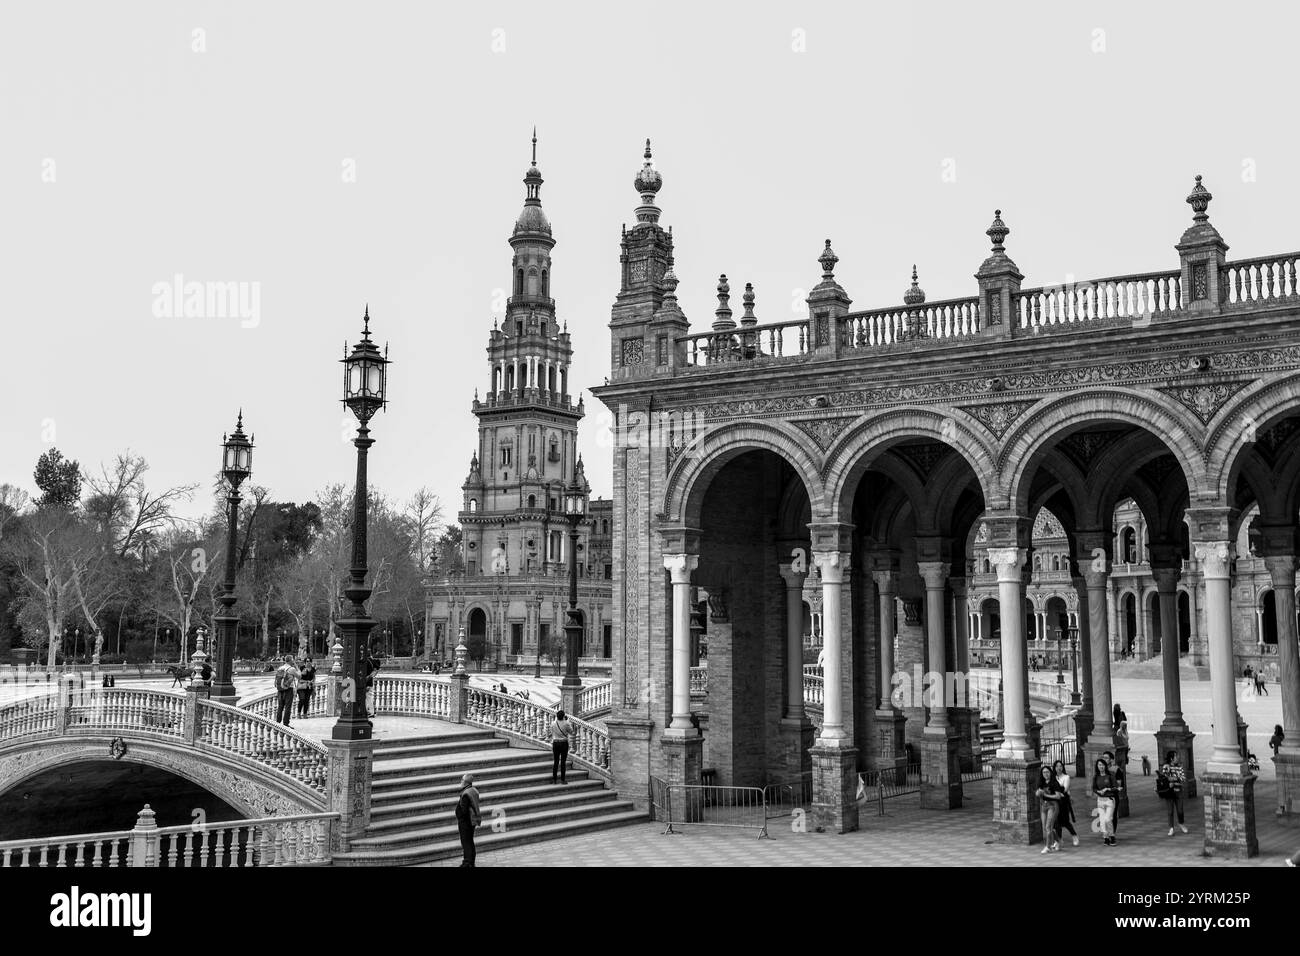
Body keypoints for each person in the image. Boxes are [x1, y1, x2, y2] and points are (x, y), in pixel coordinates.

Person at [1158, 749, 1188, 836]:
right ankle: (1171, 828)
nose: (1178, 757)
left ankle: (1181, 823)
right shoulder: (1166, 767)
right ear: (1171, 758)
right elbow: (1164, 778)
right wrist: (1175, 777)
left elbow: (1183, 778)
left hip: (1178, 791)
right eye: (1176, 756)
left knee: (1180, 809)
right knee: (1170, 811)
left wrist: (1173, 779)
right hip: (1169, 792)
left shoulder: (1180, 767)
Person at [455, 772, 482, 867]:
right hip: (472, 821)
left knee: (466, 842)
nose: (461, 781)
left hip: (466, 822)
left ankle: (467, 862)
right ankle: (471, 861)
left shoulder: (466, 793)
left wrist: (460, 817)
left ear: (466, 782)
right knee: (470, 841)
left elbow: (464, 810)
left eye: (462, 780)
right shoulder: (473, 790)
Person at [1035, 765, 1063, 854]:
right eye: (1044, 772)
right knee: (1045, 827)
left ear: (1051, 773)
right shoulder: (1041, 783)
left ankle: (1048, 847)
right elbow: (1037, 793)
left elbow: (1058, 796)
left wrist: (1045, 795)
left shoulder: (1055, 783)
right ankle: (1058, 841)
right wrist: (1038, 793)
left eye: (1047, 772)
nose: (1045, 774)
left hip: (1053, 806)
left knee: (1048, 827)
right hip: (1043, 806)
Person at [1051, 758, 1079, 847]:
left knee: (1065, 821)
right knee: (1056, 822)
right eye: (1057, 766)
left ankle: (1074, 835)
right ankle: (1058, 840)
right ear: (1054, 768)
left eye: (1060, 766)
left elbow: (1065, 789)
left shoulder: (1066, 777)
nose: (1059, 768)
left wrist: (1057, 791)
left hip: (1063, 801)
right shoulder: (1052, 777)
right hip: (1054, 801)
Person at [1092, 756, 1118, 846]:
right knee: (1102, 820)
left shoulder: (1110, 775)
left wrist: (1107, 789)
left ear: (1105, 766)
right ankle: (1106, 837)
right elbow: (1094, 788)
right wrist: (1098, 791)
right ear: (1097, 766)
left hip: (1109, 800)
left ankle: (1112, 835)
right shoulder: (1096, 776)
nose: (1101, 767)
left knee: (1108, 819)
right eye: (1099, 765)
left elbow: (1115, 787)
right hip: (1100, 800)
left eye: (1102, 765)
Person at [1103, 750, 1126, 837]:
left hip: (1112, 796)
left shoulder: (1116, 769)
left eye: (1106, 758)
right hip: (1103, 796)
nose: (1104, 760)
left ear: (1111, 760)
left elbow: (1120, 784)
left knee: (1112, 815)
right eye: (1103, 758)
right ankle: (1107, 832)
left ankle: (1112, 833)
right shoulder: (1101, 769)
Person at [550, 708, 575, 784]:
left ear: (557, 716)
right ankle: (562, 780)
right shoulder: (566, 723)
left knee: (556, 762)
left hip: (555, 743)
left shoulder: (553, 723)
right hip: (564, 743)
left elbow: (551, 732)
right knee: (563, 762)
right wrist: (568, 721)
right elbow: (572, 732)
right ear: (563, 716)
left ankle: (554, 780)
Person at [274, 654, 299, 727]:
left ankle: (277, 723)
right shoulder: (292, 669)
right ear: (291, 660)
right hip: (288, 689)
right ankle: (285, 724)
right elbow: (299, 676)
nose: (293, 661)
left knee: (280, 706)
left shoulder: (280, 668)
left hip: (280, 689)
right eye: (293, 660)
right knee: (288, 706)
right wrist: (297, 667)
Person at [363, 646, 381, 718]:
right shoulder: (371, 661)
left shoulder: (367, 662)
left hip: (367, 682)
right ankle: (370, 711)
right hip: (370, 682)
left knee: (368, 697)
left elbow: (368, 674)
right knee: (369, 697)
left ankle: (371, 712)